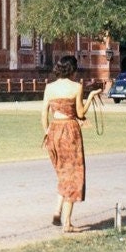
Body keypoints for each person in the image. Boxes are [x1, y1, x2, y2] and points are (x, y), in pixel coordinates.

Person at [41, 55, 104, 233]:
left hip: (53, 131)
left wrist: (47, 133)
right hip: (70, 131)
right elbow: (80, 113)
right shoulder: (76, 87)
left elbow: (43, 115)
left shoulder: (49, 87)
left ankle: (57, 210)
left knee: (63, 173)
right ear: (72, 70)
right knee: (74, 175)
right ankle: (67, 223)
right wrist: (91, 96)